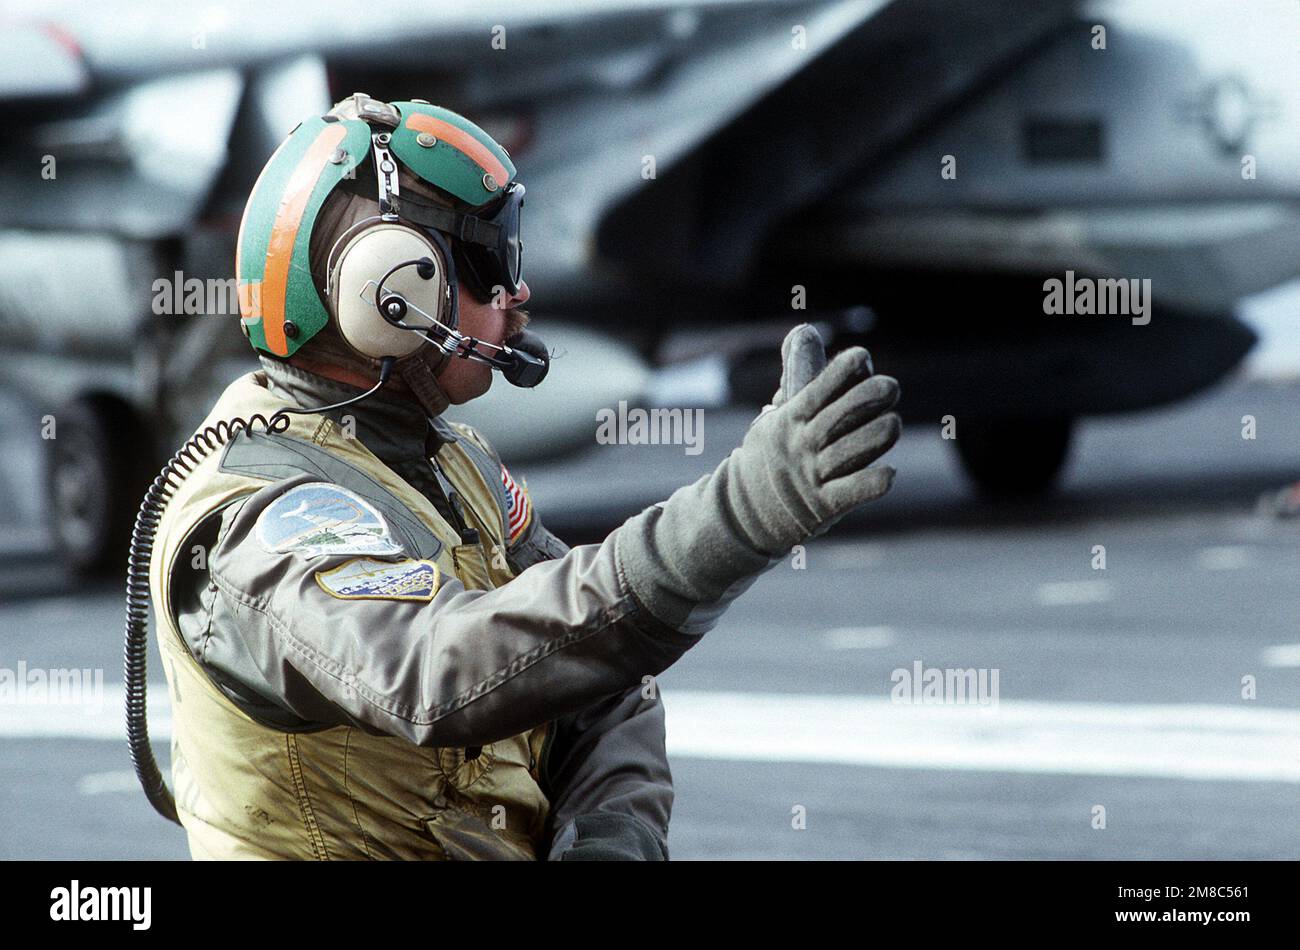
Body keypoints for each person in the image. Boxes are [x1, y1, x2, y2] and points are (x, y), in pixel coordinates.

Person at [148, 93, 901, 861]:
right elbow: (433, 671)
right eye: (489, 259)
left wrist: (611, 836)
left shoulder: (450, 461)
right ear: (390, 290)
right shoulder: (254, 516)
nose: (519, 292)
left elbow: (599, 673)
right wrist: (740, 515)